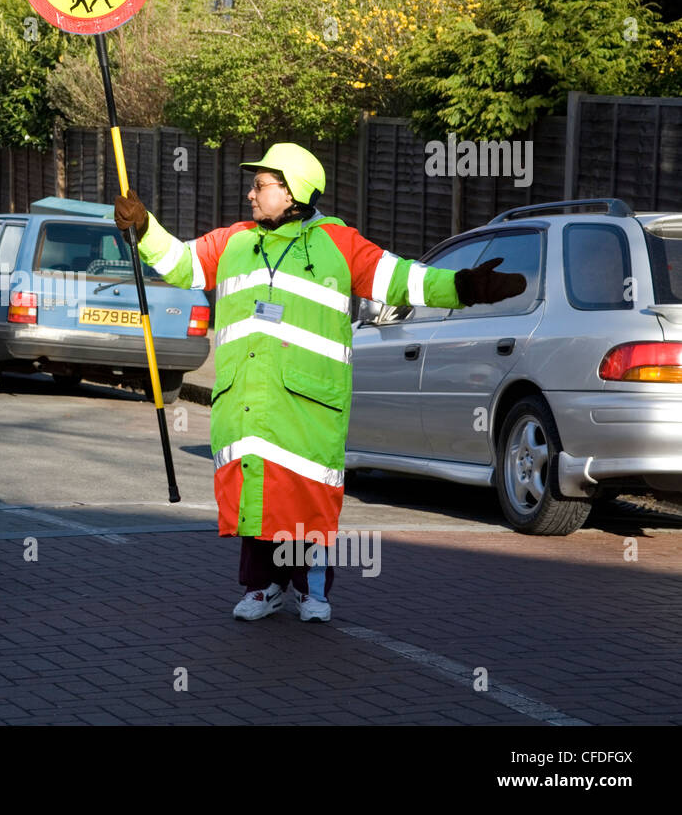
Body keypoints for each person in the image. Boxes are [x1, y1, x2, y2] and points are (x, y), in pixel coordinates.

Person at [113, 143, 525, 624]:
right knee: (257, 499)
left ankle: (312, 590)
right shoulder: (234, 241)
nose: (250, 193)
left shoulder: (339, 242)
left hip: (309, 404)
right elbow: (182, 263)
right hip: (247, 402)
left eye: (260, 185)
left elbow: (401, 280)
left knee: (307, 499)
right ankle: (262, 587)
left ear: (292, 191)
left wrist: (463, 287)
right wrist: (143, 227)